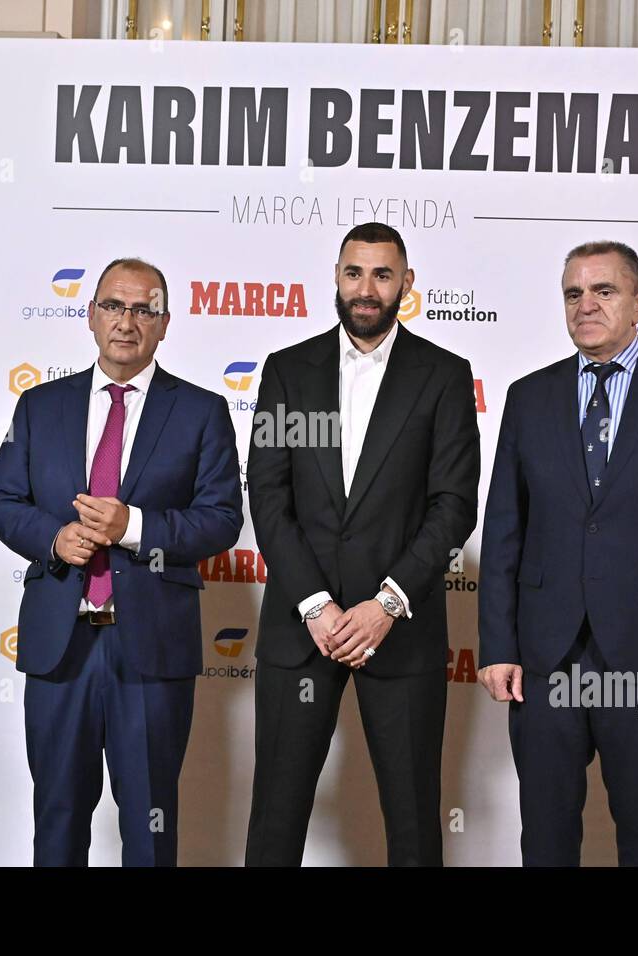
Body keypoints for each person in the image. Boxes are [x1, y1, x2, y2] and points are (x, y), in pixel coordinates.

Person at [477, 240, 638, 866]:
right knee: (545, 835)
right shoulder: (527, 396)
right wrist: (499, 647)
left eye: (604, 291)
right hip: (545, 656)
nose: (585, 304)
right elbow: (504, 529)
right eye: (573, 293)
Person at [0, 256, 242, 866]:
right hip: (59, 646)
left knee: (150, 825)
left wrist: (136, 527)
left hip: (150, 650)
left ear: (165, 323)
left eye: (143, 309)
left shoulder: (201, 411)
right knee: (57, 817)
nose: (127, 322)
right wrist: (53, 539)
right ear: (91, 315)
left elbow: (222, 519)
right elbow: (1, 500)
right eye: (113, 306)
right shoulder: (40, 406)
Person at [244, 222, 480, 866]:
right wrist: (316, 605)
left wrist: (388, 602)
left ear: (407, 283)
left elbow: (454, 504)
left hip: (400, 633)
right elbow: (268, 497)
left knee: (411, 824)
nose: (367, 288)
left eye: (383, 274)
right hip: (302, 633)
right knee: (276, 819)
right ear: (336, 278)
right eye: (355, 273)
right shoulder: (288, 371)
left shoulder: (444, 375)